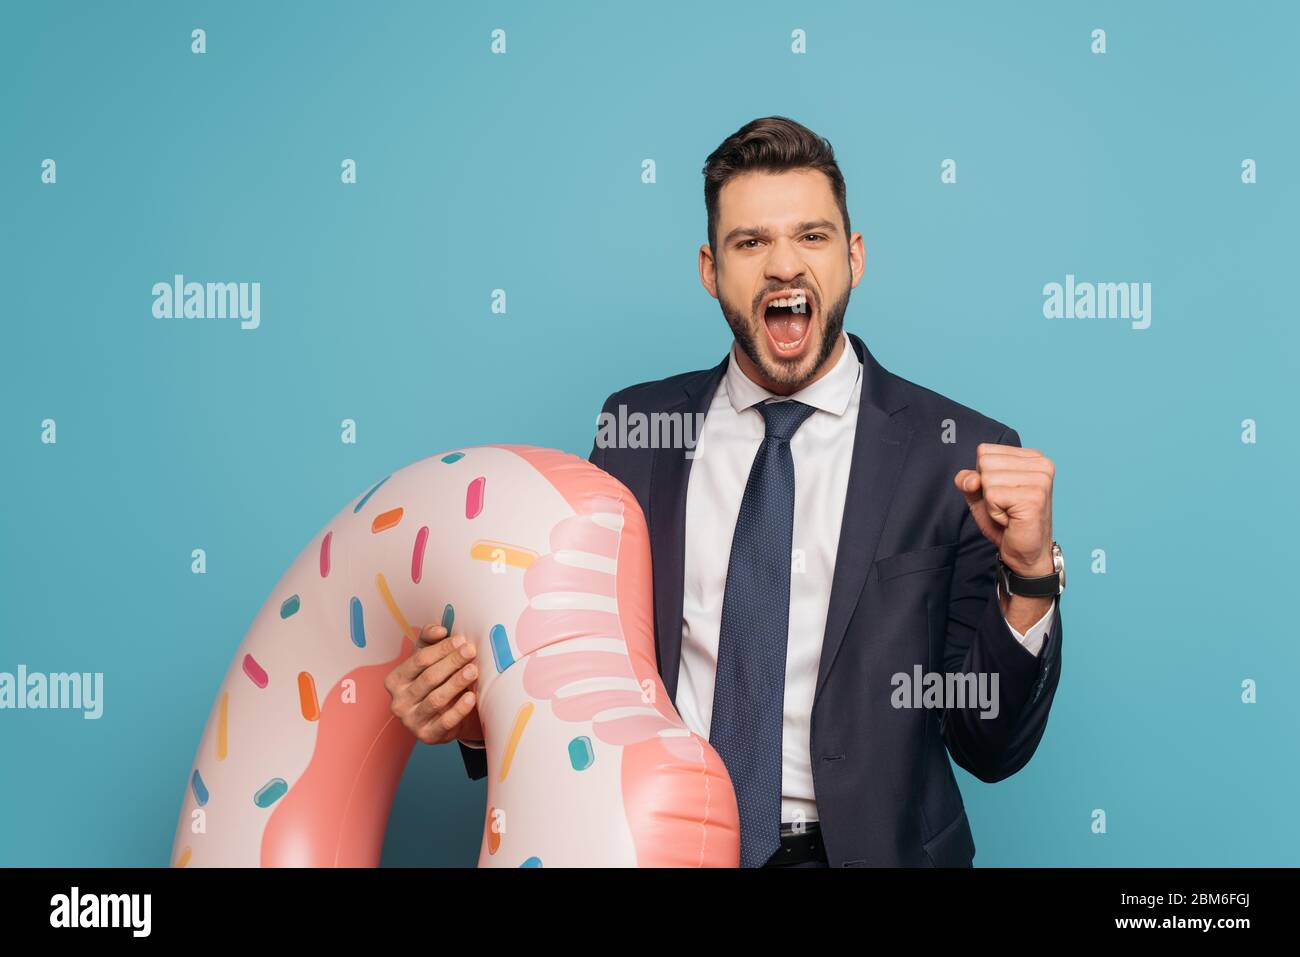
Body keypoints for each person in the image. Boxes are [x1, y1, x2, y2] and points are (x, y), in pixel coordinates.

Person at [385, 116, 1065, 868]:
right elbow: (577, 665)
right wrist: (470, 712)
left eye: (812, 236)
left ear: (855, 256)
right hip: (664, 844)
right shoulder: (635, 433)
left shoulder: (956, 452)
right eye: (751, 243)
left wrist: (1029, 579)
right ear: (710, 269)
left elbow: (991, 743)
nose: (783, 266)